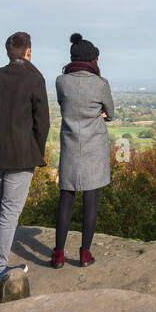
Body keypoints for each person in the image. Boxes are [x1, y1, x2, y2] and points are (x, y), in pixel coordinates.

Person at [0, 31, 49, 284]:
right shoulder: (34, 79)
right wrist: (36, 151)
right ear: (28, 51)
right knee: (8, 211)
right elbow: (42, 123)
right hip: (20, 155)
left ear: (7, 52)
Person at [51, 32, 114, 267]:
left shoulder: (61, 81)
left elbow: (64, 105)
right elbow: (111, 112)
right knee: (91, 199)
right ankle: (85, 255)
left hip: (69, 145)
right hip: (94, 148)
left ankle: (58, 255)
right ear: (93, 61)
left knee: (65, 198)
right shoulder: (101, 84)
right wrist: (100, 114)